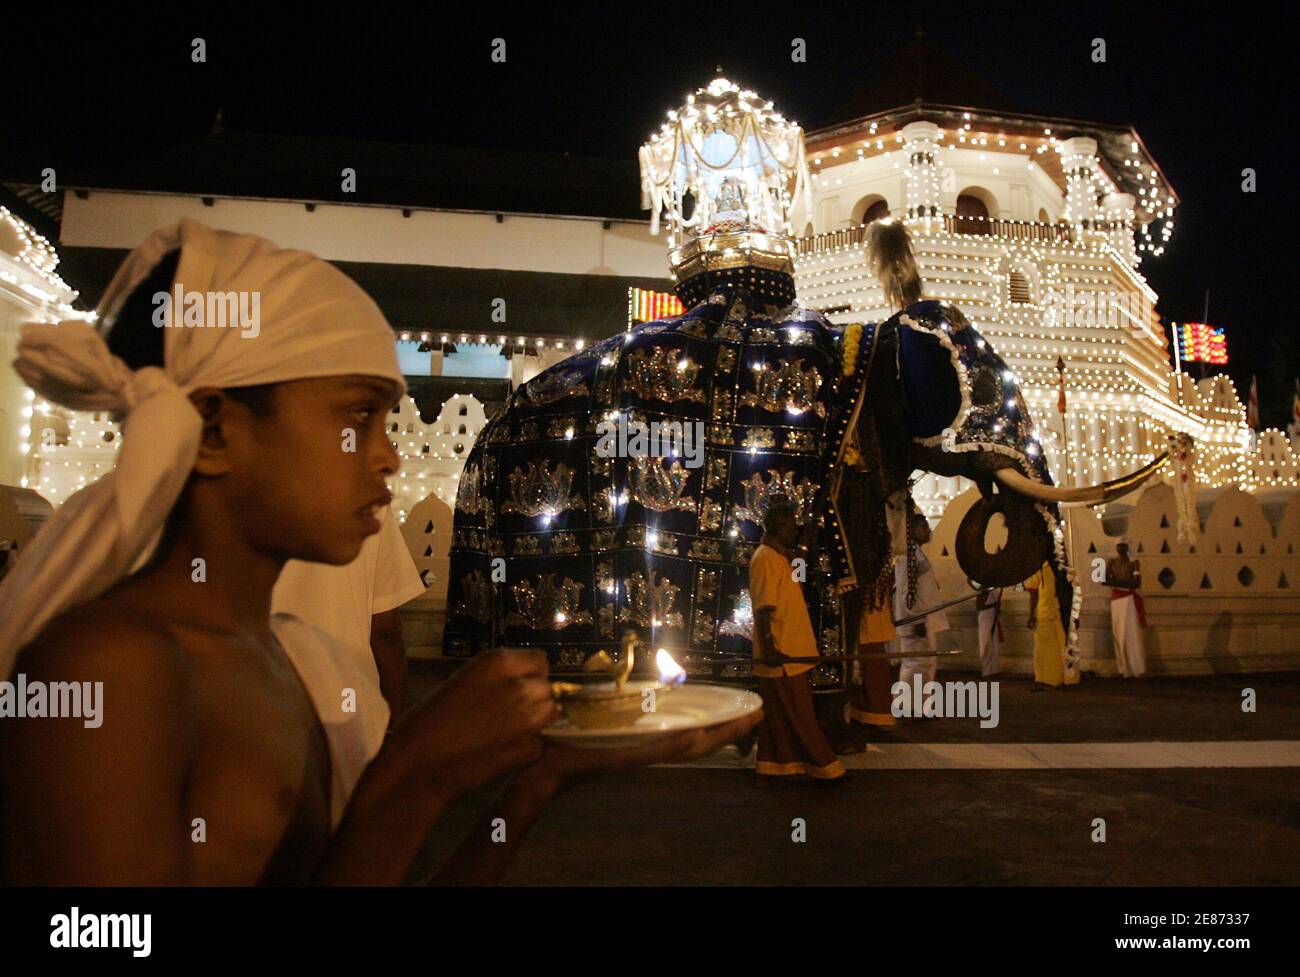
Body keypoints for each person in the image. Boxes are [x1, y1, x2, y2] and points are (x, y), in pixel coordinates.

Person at [0, 220, 759, 885]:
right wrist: (409, 775)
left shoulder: (291, 658)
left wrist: (537, 781)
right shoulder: (109, 668)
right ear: (216, 428)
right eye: (356, 417)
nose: (388, 457)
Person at [272, 505, 424, 720]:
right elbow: (384, 631)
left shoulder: (221, 491)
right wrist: (393, 725)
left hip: (254, 697)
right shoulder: (368, 500)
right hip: (346, 703)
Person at [749, 500, 846, 786]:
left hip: (791, 653)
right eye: (791, 525)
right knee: (801, 715)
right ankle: (826, 767)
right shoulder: (765, 558)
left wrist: (811, 532)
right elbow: (764, 609)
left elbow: (799, 565)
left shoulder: (779, 556)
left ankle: (775, 766)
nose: (795, 529)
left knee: (778, 719)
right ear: (778, 527)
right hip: (783, 654)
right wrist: (770, 648)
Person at [895, 513, 948, 692]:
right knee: (914, 664)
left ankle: (922, 706)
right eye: (923, 527)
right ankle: (908, 707)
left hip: (926, 618)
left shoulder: (917, 553)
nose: (928, 530)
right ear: (912, 530)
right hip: (915, 621)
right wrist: (916, 619)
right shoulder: (906, 556)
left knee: (926, 663)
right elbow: (905, 590)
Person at [1025, 562, 1077, 688]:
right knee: (1044, 650)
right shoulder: (1039, 569)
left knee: (1066, 648)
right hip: (1045, 613)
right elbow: (1033, 593)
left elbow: (1074, 593)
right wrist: (1031, 615)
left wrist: (1075, 615)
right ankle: (1047, 679)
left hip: (1063, 613)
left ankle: (1069, 679)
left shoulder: (1066, 568)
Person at [1105, 540, 1147, 677]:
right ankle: (1123, 668)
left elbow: (1137, 583)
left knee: (1132, 635)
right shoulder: (1111, 562)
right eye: (1119, 545)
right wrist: (1125, 583)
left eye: (1124, 545)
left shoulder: (1134, 563)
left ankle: (1137, 668)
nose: (1121, 548)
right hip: (1117, 601)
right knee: (1119, 635)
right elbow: (1105, 580)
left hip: (1129, 601)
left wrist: (1117, 582)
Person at [975, 584, 1004, 678]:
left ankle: (993, 670)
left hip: (993, 617)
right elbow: (979, 606)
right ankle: (986, 671)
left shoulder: (995, 589)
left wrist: (997, 608)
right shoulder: (984, 588)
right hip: (985, 618)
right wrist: (994, 605)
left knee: (994, 645)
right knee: (986, 644)